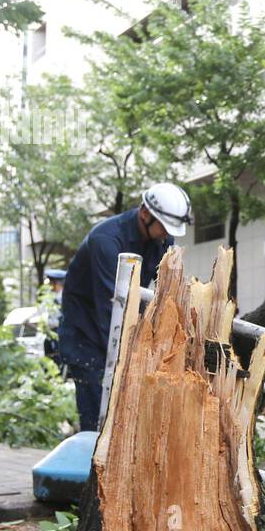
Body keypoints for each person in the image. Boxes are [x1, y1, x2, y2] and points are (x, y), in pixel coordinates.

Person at [55, 183, 192, 432]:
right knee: (99, 421)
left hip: (119, 326)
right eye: (163, 226)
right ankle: (91, 462)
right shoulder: (105, 241)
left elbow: (162, 292)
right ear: (144, 213)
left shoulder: (161, 238)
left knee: (128, 421)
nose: (165, 234)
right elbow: (111, 309)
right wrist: (135, 354)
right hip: (86, 336)